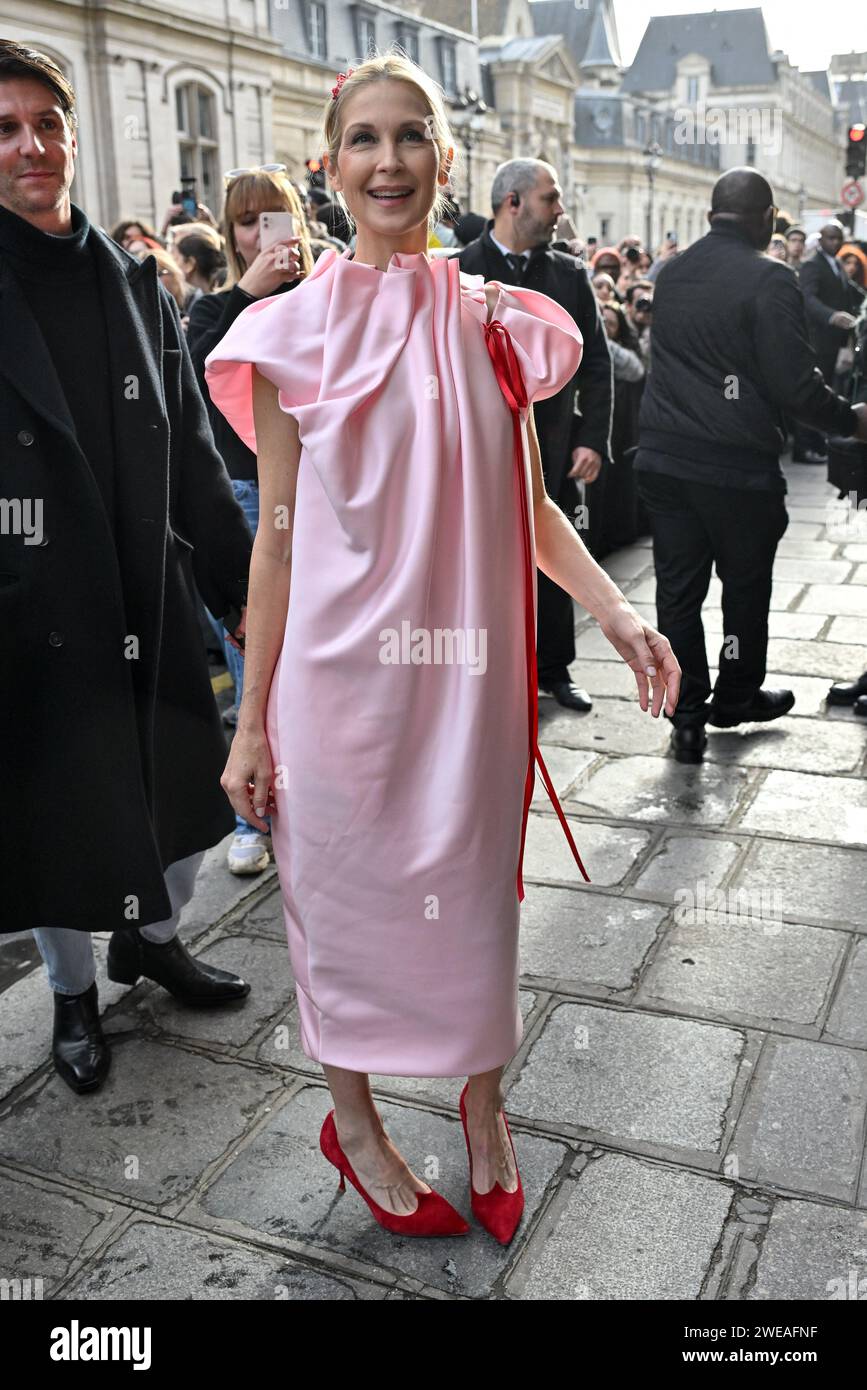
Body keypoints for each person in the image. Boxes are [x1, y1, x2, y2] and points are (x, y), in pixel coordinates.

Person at [204, 51, 680, 1243]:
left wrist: (621, 617)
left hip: (466, 691)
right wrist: (252, 722)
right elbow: (274, 538)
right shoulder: (287, 335)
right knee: (342, 908)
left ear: (444, 159)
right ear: (330, 165)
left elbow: (529, 508)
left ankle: (484, 1112)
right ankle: (353, 1121)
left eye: (410, 136)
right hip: (334, 690)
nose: (387, 160)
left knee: (469, 909)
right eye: (362, 139)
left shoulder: (495, 322)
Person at [0, 40, 254, 1091]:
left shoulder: (137, 281)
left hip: (150, 590)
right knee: (60, 813)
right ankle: (70, 993)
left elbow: (193, 446)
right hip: (32, 600)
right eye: (6, 129)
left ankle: (149, 936)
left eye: (47, 124)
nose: (32, 146)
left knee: (183, 795)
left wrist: (245, 597)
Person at [634, 168, 867, 764]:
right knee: (743, 588)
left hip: (664, 458)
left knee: (677, 594)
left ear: (713, 213)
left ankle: (686, 718)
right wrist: (852, 420)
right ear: (765, 218)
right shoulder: (771, 278)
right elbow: (796, 387)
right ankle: (736, 695)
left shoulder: (675, 271)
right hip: (734, 467)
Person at [188, 167, 313, 875]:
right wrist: (247, 297)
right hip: (247, 492)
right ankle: (253, 817)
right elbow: (199, 379)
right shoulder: (215, 308)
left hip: (325, 490)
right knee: (252, 650)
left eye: (273, 217)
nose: (259, 233)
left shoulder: (328, 291)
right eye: (245, 221)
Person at [458, 157, 614, 711]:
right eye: (551, 198)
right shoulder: (458, 269)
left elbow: (596, 364)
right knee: (481, 565)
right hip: (476, 457)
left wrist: (593, 439)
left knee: (555, 557)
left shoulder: (570, 275)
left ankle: (556, 669)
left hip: (549, 449)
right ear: (513, 202)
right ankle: (492, 672)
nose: (560, 210)